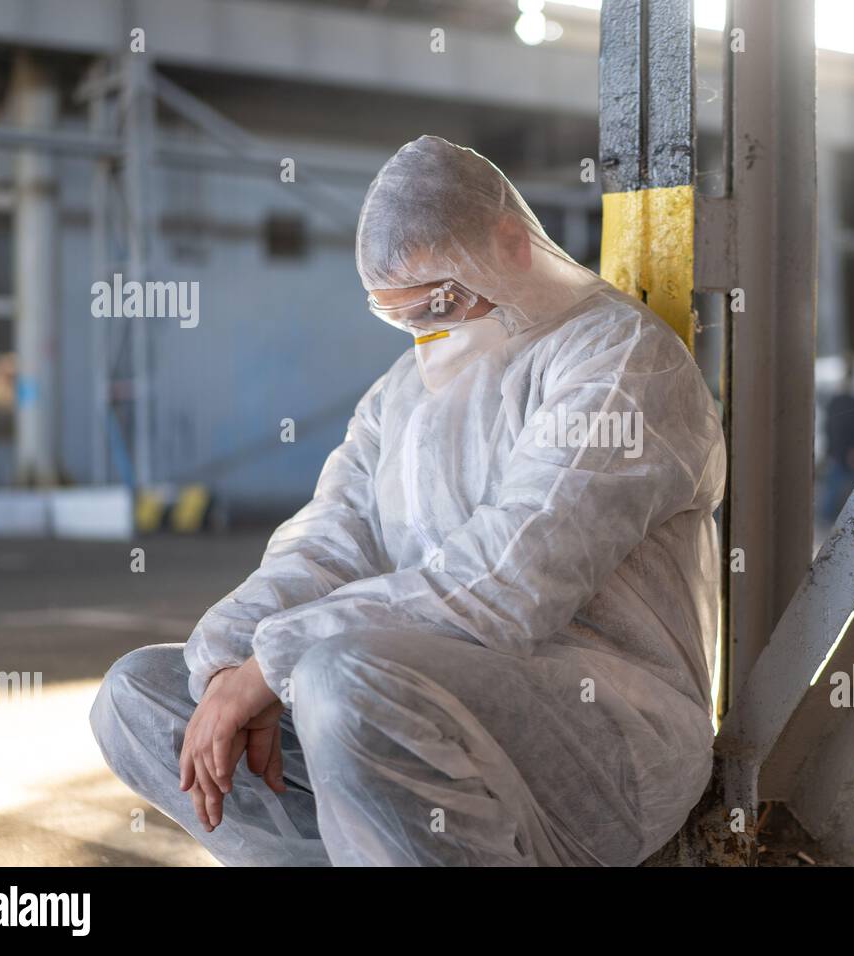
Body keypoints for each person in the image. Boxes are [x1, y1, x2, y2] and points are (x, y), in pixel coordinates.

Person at [90, 135, 727, 866]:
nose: (432, 334)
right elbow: (330, 540)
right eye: (407, 318)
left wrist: (273, 667)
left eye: (444, 302)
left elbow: (508, 583)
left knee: (342, 679)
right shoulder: (401, 396)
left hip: (606, 731)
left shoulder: (615, 358)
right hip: (411, 696)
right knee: (141, 696)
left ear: (512, 245)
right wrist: (229, 662)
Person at [821, 355, 854, 522]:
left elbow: (831, 429)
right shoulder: (849, 403)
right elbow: (851, 428)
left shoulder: (837, 403)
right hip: (847, 452)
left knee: (836, 487)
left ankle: (828, 517)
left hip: (841, 451)